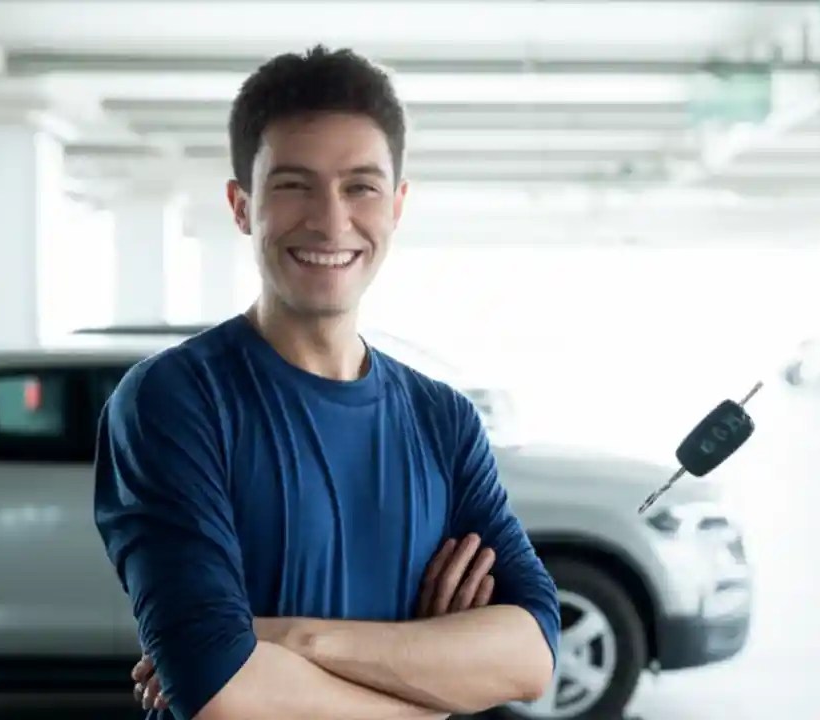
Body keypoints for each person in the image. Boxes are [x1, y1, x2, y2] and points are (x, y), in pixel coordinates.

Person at [93, 44, 561, 720]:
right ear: (240, 204)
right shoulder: (173, 401)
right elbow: (222, 693)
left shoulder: (443, 420)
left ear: (397, 204)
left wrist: (287, 638)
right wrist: (433, 694)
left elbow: (531, 655)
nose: (331, 220)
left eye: (360, 186)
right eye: (293, 185)